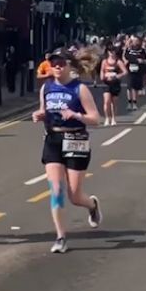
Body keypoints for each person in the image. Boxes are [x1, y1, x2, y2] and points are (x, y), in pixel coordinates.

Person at [33, 50, 103, 254]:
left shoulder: (80, 89)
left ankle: (91, 205)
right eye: (53, 63)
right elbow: (45, 112)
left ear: (69, 66)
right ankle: (61, 237)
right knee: (56, 190)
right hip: (53, 139)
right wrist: (40, 115)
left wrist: (75, 114)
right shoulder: (46, 88)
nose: (57, 66)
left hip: (76, 139)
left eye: (61, 63)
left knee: (74, 195)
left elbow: (95, 119)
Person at [99, 45, 126, 126]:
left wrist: (117, 76)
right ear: (108, 52)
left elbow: (125, 72)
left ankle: (113, 118)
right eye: (110, 51)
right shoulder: (104, 61)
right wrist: (102, 76)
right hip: (106, 83)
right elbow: (102, 70)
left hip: (115, 83)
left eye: (113, 51)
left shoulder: (118, 62)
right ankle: (107, 118)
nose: (111, 53)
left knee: (114, 102)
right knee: (106, 101)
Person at [123, 37, 146, 110]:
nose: (135, 43)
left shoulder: (142, 50)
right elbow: (124, 57)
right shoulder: (128, 50)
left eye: (136, 41)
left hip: (138, 71)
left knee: (135, 88)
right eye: (133, 41)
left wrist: (141, 61)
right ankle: (129, 103)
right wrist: (125, 61)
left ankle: (135, 103)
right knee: (129, 87)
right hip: (129, 70)